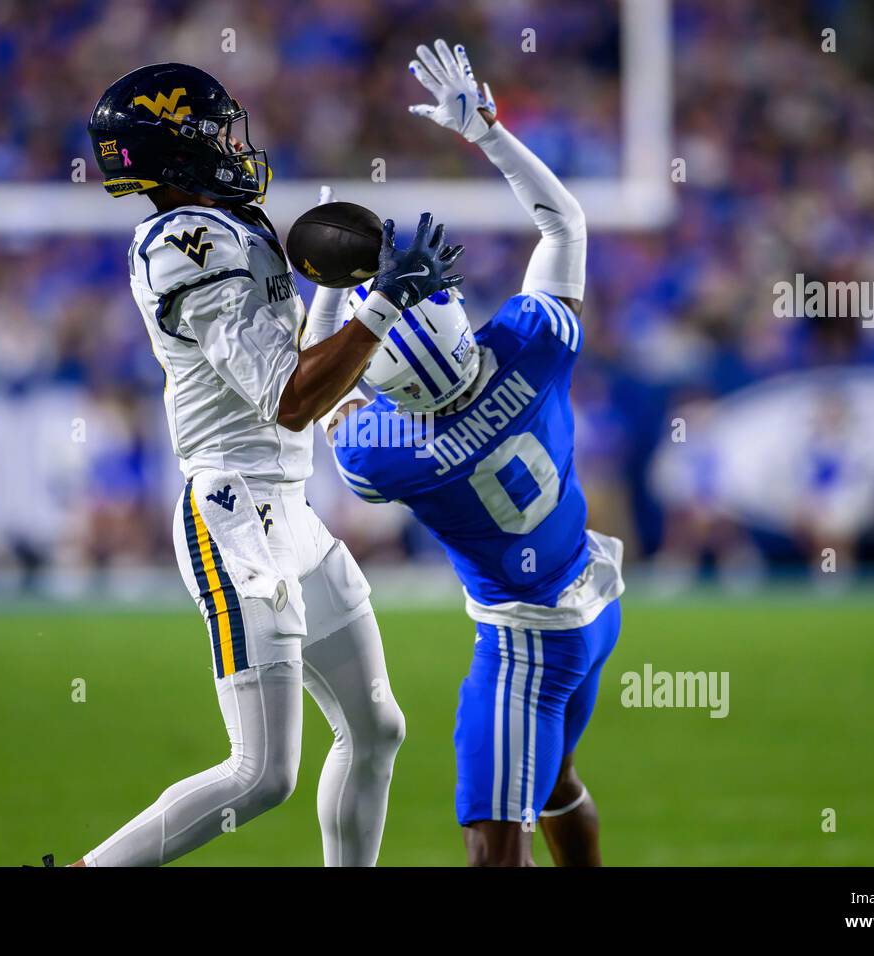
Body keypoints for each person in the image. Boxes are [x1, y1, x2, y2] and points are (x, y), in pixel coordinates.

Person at [70, 62, 463, 866]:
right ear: (174, 153)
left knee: (376, 726)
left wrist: (338, 289)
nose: (231, 145)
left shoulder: (226, 227)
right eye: (213, 133)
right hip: (236, 514)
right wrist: (381, 305)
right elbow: (288, 398)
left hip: (288, 509)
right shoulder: (190, 243)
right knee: (261, 774)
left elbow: (294, 362)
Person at [317, 41, 625, 867]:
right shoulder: (533, 341)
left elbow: (317, 391)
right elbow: (564, 221)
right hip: (594, 601)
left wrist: (326, 282)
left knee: (494, 850)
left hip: (523, 638)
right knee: (555, 779)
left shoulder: (385, 455)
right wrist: (488, 132)